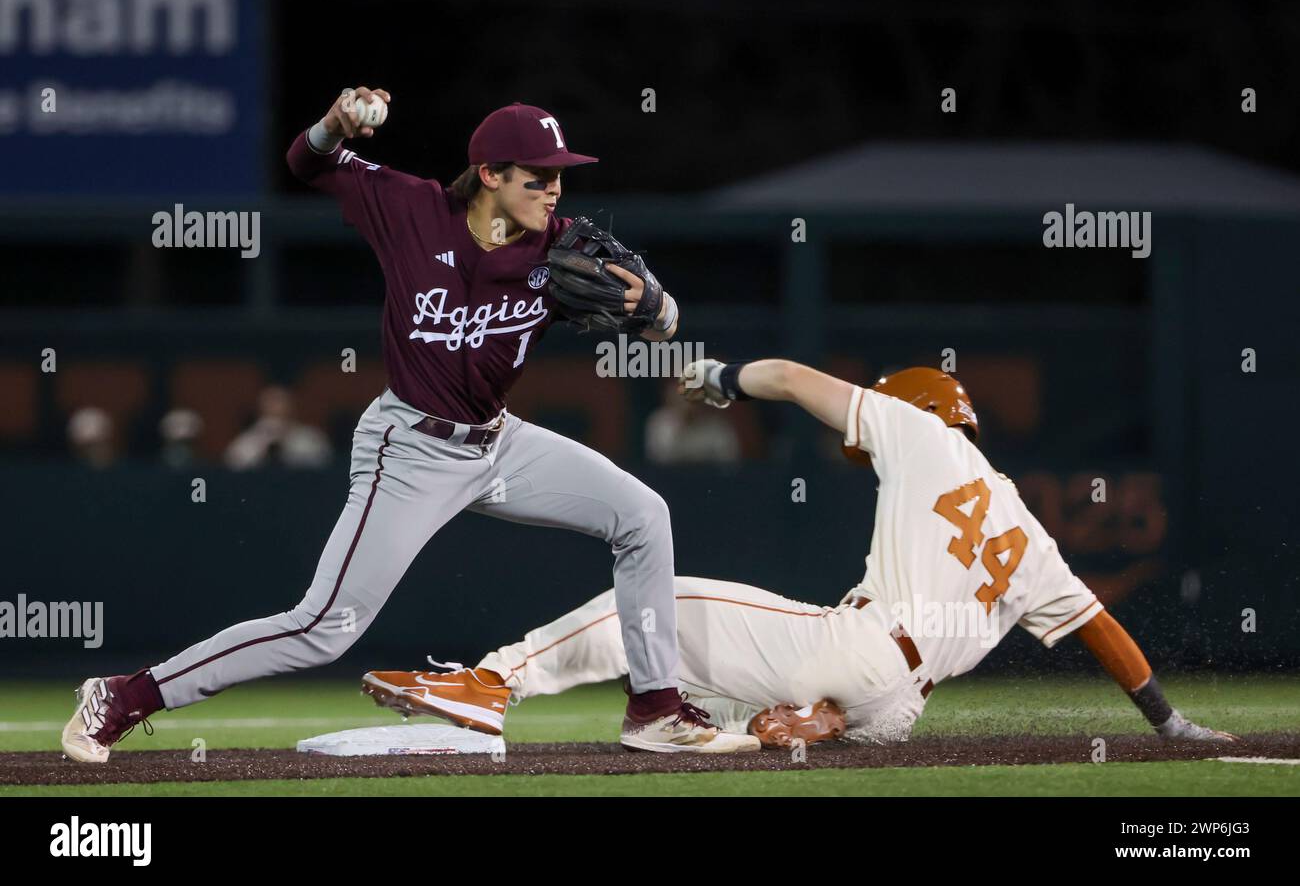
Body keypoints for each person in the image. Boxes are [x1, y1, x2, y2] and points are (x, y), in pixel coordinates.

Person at [60, 89, 757, 763]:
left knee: (642, 514)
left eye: (560, 177)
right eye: (538, 177)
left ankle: (657, 710)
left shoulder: (563, 244)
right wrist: (333, 125)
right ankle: (123, 695)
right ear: (489, 174)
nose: (554, 190)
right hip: (412, 447)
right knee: (323, 627)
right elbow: (306, 164)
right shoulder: (410, 207)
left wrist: (657, 307)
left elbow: (661, 318)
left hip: (500, 441)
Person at [361, 363, 1236, 747]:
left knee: (650, 604)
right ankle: (802, 722)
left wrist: (724, 377)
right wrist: (1168, 720)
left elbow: (788, 379)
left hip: (857, 648)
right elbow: (1102, 631)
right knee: (700, 700)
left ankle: (491, 683)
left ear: (927, 410)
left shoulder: (917, 429)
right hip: (901, 706)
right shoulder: (1030, 532)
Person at [224, 386, 331, 470]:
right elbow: (233, 466)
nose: (277, 408)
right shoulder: (246, 442)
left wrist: (287, 446)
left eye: (281, 403)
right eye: (271, 404)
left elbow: (323, 464)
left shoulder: (311, 438)